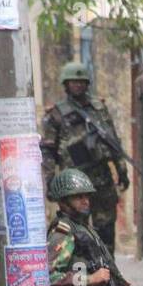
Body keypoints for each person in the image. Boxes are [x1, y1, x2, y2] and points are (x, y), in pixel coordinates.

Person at [40, 62, 129, 254]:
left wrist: (122, 171)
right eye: (73, 82)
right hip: (73, 183)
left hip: (101, 178)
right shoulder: (56, 114)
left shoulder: (99, 108)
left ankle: (108, 273)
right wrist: (49, 181)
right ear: (66, 84)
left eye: (81, 82)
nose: (78, 85)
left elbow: (113, 142)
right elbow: (47, 151)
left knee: (105, 231)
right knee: (77, 231)